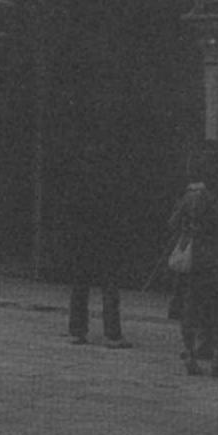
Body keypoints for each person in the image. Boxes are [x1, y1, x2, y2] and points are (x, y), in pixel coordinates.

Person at [167, 147, 218, 377]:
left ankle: (191, 354)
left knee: (190, 308)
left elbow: (172, 222)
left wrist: (187, 231)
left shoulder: (191, 197)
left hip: (195, 257)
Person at [63, 142, 131, 348]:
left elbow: (70, 211)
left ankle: (77, 331)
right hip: (105, 238)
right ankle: (112, 334)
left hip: (82, 239)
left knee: (80, 286)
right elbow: (118, 211)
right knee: (109, 286)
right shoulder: (110, 182)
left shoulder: (77, 183)